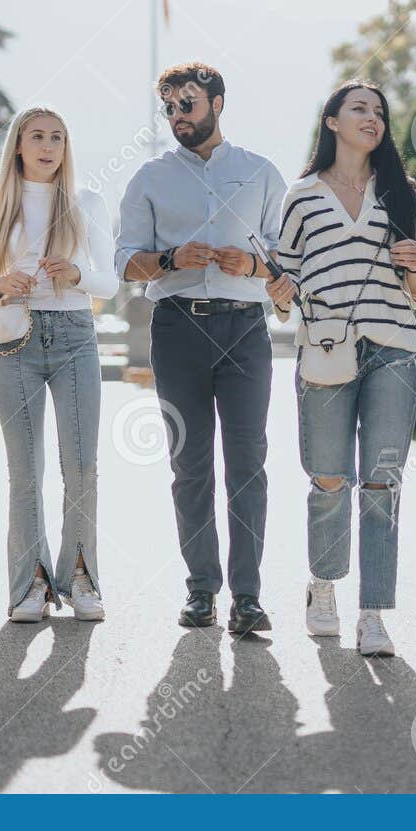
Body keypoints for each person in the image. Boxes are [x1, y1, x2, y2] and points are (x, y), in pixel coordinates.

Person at [114, 62, 286, 636]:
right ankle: (200, 591)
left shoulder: (261, 173)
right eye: (168, 108)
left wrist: (256, 266)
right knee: (189, 466)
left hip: (245, 330)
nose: (177, 117)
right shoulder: (149, 178)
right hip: (177, 328)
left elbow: (289, 264)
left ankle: (248, 596)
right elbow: (125, 262)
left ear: (217, 103)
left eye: (187, 104)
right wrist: (170, 260)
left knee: (248, 465)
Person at [268, 79, 416, 658]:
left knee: (382, 484)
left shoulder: (403, 194)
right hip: (327, 349)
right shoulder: (302, 195)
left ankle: (373, 613)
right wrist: (281, 290)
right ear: (332, 122)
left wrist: (414, 265)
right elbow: (281, 284)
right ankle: (322, 585)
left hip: (393, 347)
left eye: (380, 112)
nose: (373, 118)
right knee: (329, 478)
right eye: (359, 109)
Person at [0, 106, 117, 624]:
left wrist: (78, 273)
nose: (49, 145)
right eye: (38, 136)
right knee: (24, 472)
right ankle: (31, 584)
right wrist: (0, 284)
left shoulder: (87, 202)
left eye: (58, 136)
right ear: (18, 145)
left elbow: (111, 282)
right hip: (15, 341)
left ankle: (80, 578)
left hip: (75, 336)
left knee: (81, 467)